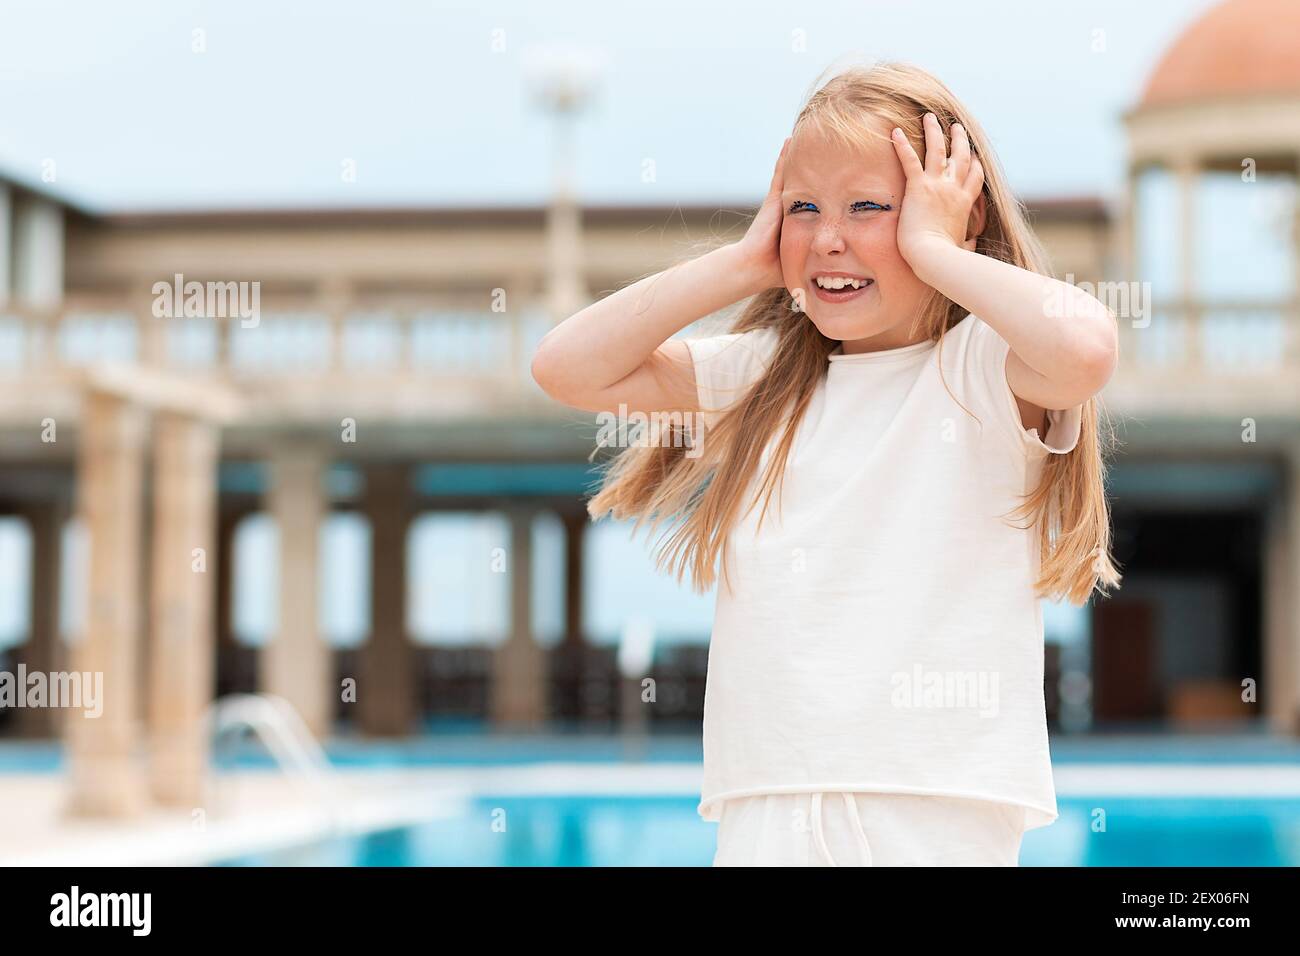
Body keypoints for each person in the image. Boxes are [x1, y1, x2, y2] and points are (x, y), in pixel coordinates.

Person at [531, 61, 1121, 866]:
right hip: (768, 796)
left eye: (870, 206)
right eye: (803, 206)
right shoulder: (764, 373)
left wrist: (933, 250)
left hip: (934, 802)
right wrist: (742, 264)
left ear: (952, 212)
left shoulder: (984, 368)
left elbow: (1087, 347)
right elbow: (565, 367)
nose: (829, 235)